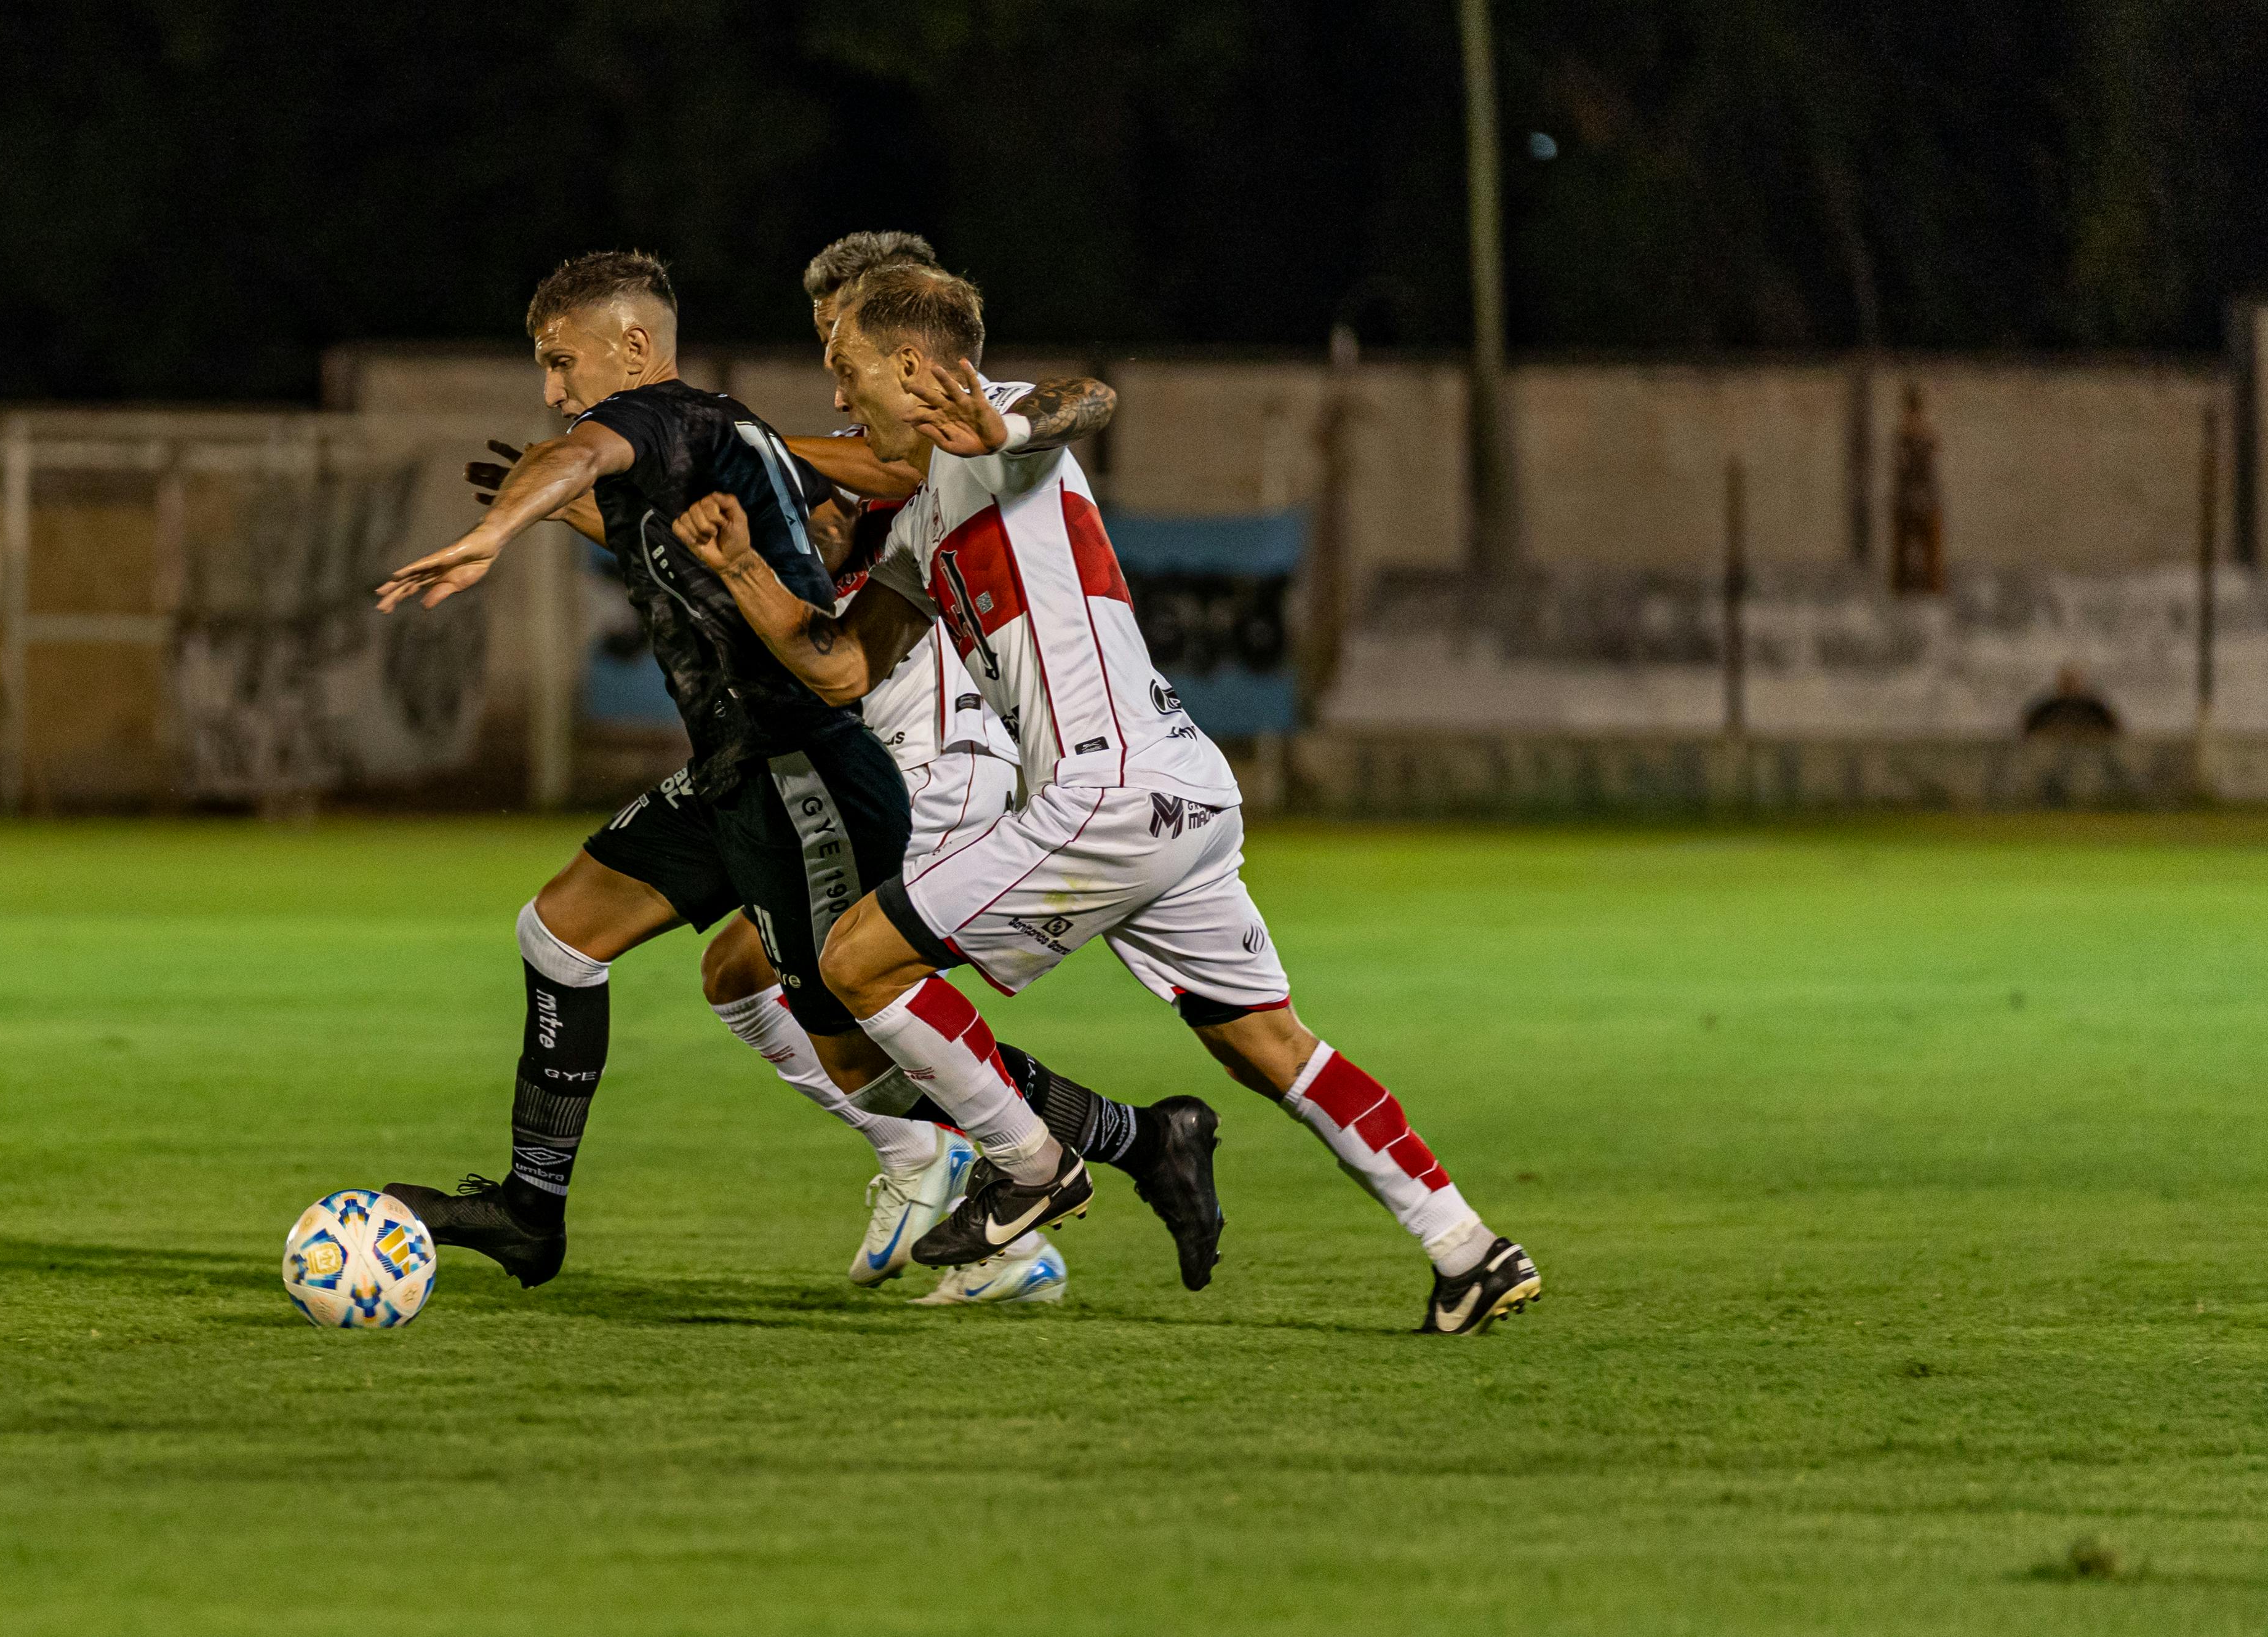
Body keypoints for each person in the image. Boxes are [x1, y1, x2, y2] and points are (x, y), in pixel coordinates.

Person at [673, 264, 1544, 1334]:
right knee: (1265, 1045)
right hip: (1179, 789)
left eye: (846, 371)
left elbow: (1081, 398)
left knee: (854, 960)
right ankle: (1466, 1247)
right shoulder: (919, 521)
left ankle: (1033, 1164)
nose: (841, 398)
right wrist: (742, 570)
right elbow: (844, 670)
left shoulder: (1001, 434)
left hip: (1109, 790)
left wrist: (1000, 429)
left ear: (913, 367)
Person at [373, 251, 1212, 1295]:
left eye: (841, 345)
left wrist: (508, 524)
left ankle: (1083, 1150)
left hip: (872, 762)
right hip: (752, 760)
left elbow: (1057, 411)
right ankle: (531, 1210)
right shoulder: (776, 450)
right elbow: (696, 542)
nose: (833, 374)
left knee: (860, 1032)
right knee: (579, 938)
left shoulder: (904, 448)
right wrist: (581, 510)